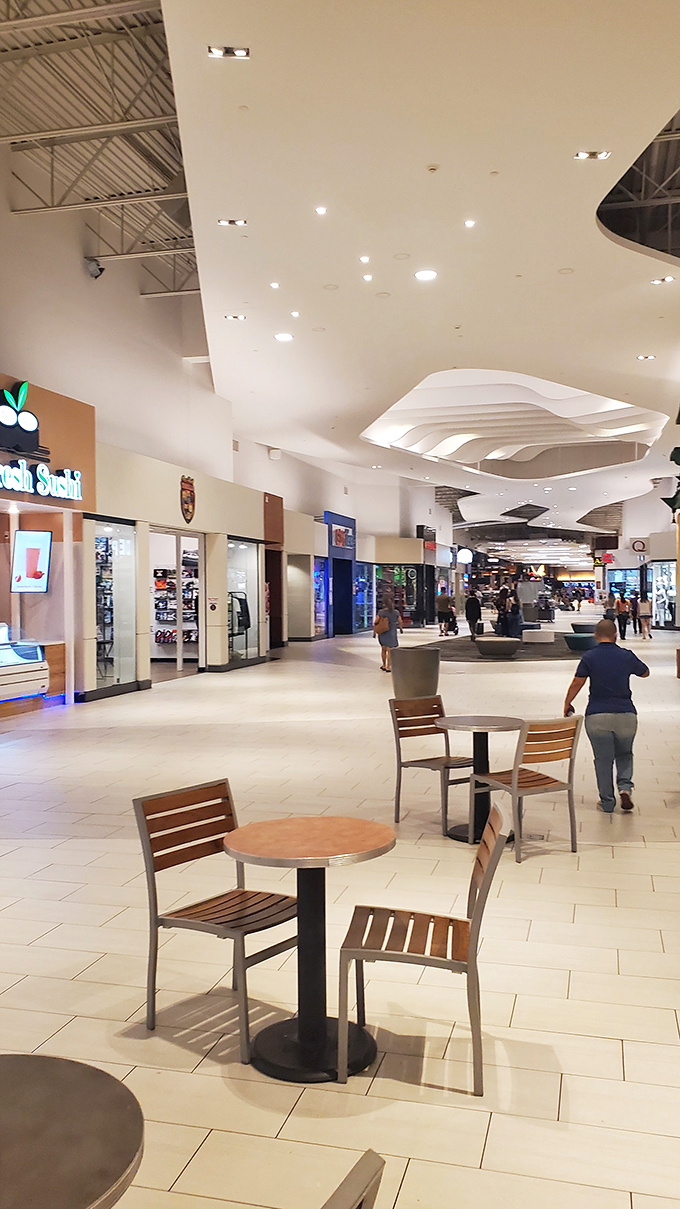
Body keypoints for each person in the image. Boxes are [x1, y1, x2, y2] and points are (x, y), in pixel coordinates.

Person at [563, 617, 649, 813]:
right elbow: (645, 673)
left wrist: (568, 702)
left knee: (603, 760)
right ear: (616, 635)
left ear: (595, 636)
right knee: (625, 754)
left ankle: (607, 801)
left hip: (597, 715)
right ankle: (625, 789)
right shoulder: (626, 655)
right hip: (626, 714)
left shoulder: (590, 657)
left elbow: (578, 682)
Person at [373, 592, 402, 672]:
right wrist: (400, 628)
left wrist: (375, 631)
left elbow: (376, 621)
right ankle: (389, 666)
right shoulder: (396, 612)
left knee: (383, 649)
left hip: (383, 631)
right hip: (392, 631)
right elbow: (400, 621)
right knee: (390, 650)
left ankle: (384, 664)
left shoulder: (381, 612)